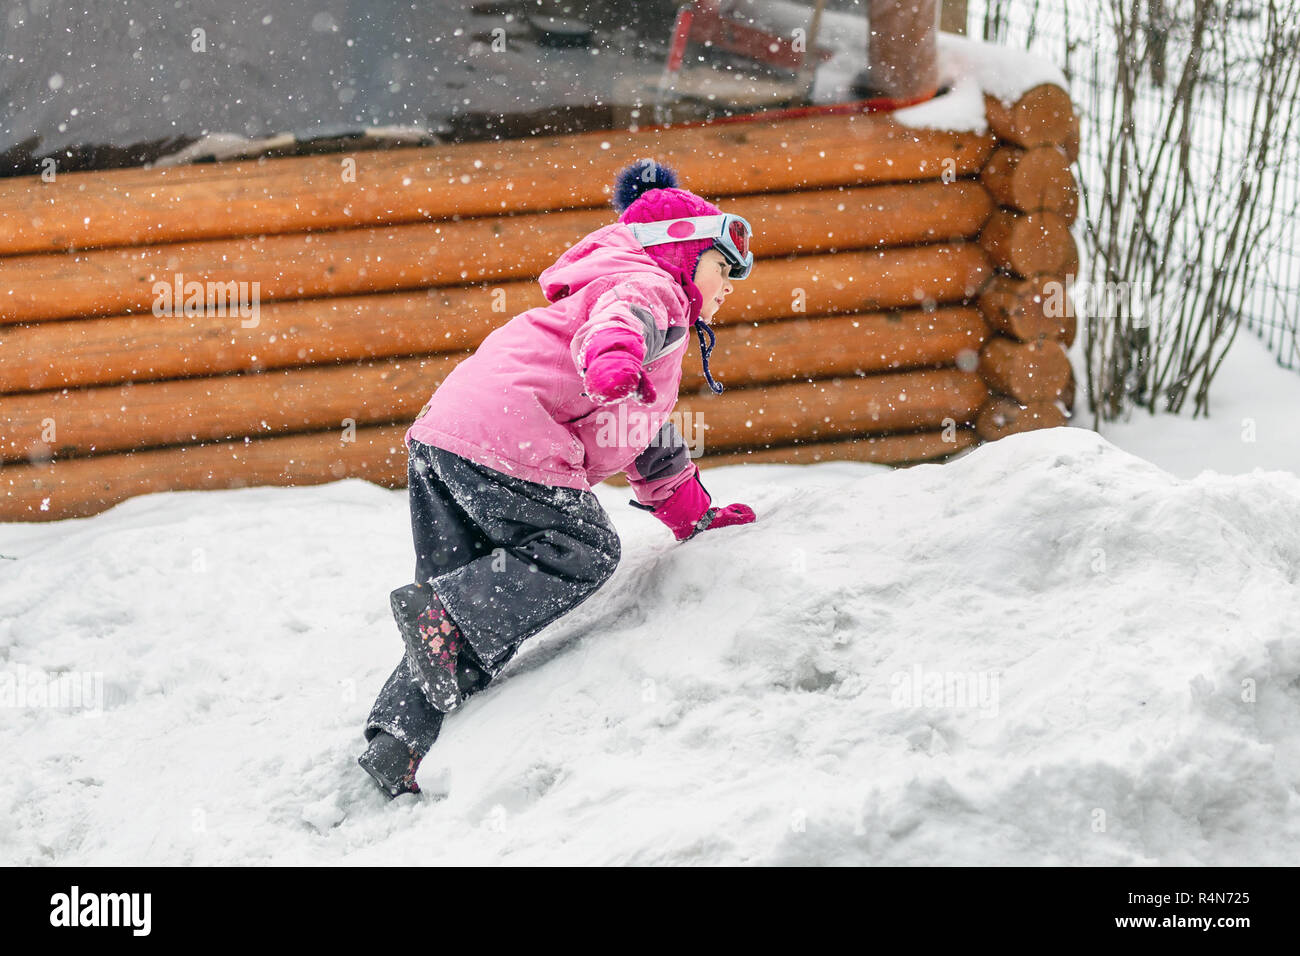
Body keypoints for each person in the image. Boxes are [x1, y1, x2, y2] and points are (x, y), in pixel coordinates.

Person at [358, 159, 758, 799]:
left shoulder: (617, 298)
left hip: (444, 440)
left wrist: (694, 515)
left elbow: (644, 437)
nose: (732, 283)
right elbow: (618, 326)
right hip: (512, 437)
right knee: (584, 550)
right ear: (680, 252)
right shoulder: (646, 288)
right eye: (723, 266)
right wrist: (613, 358)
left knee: (462, 622)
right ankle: (439, 623)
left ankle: (398, 740)